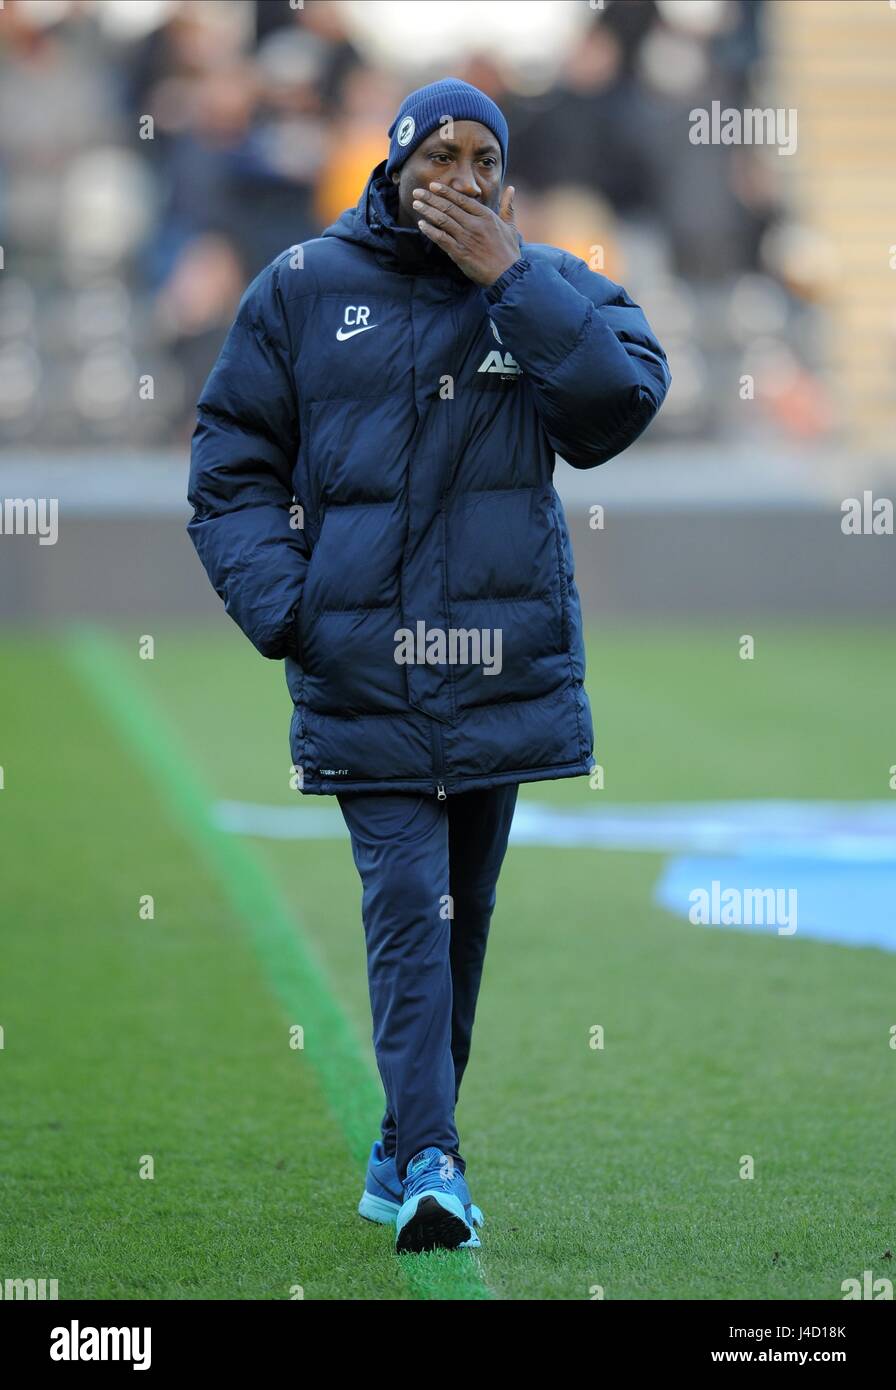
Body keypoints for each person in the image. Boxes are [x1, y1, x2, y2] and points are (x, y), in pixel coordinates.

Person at [187, 77, 670, 1254]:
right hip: (363, 667)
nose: (462, 178)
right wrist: (291, 609)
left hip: (495, 664)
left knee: (462, 920)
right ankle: (436, 1165)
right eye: (440, 156)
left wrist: (509, 278)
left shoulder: (537, 277)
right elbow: (230, 462)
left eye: (484, 161)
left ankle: (403, 1140)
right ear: (394, 164)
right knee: (406, 903)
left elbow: (617, 405)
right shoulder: (302, 286)